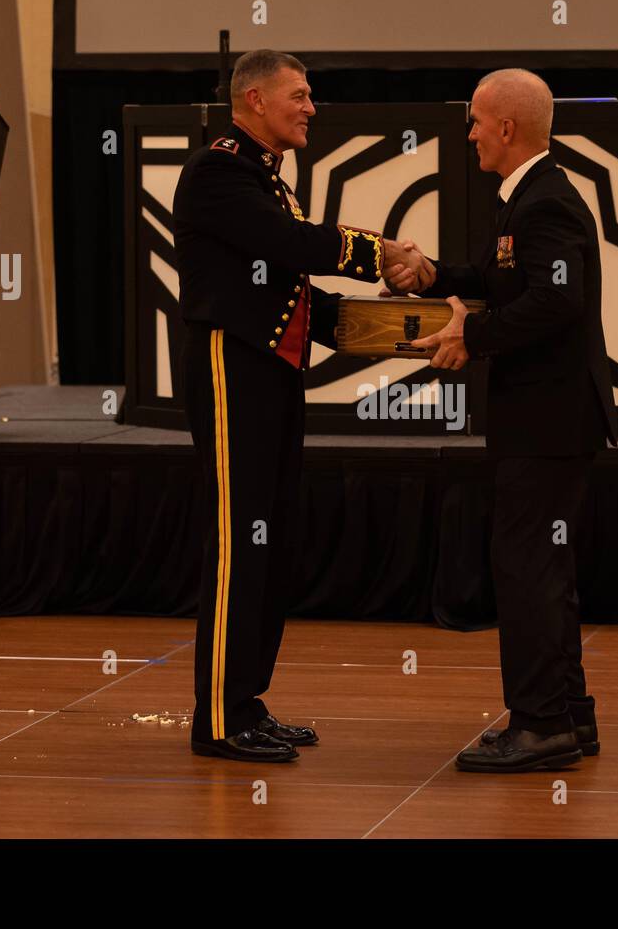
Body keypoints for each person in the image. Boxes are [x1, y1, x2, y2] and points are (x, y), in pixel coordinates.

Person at [173, 49, 432, 762]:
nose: (311, 107)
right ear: (254, 100)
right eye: (300, 94)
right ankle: (219, 718)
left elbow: (288, 295)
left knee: (272, 537)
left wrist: (401, 327)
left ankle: (248, 702)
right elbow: (285, 246)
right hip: (233, 368)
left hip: (272, 371)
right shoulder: (219, 170)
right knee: (236, 542)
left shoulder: (265, 180)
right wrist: (379, 252)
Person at [385, 68, 618, 772]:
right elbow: (506, 281)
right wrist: (438, 276)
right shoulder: (530, 197)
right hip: (549, 419)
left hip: (547, 422)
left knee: (526, 571)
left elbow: (558, 302)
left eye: (478, 121)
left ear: (508, 128)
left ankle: (540, 725)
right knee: (546, 569)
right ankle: (569, 715)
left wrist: (471, 339)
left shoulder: (544, 204)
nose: (471, 133)